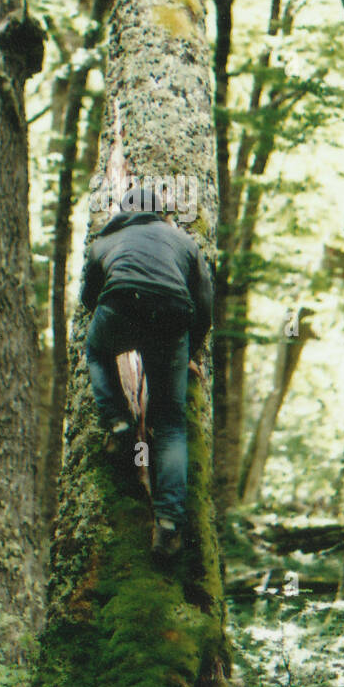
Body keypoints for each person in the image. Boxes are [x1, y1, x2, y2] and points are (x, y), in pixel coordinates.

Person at [80, 191, 213, 561]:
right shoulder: (184, 242)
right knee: (170, 423)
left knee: (95, 352)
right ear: (158, 213)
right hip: (171, 317)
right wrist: (192, 350)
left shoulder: (103, 241)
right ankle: (169, 524)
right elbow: (203, 305)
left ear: (123, 213)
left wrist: (116, 323)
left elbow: (89, 300)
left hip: (121, 304)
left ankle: (119, 424)